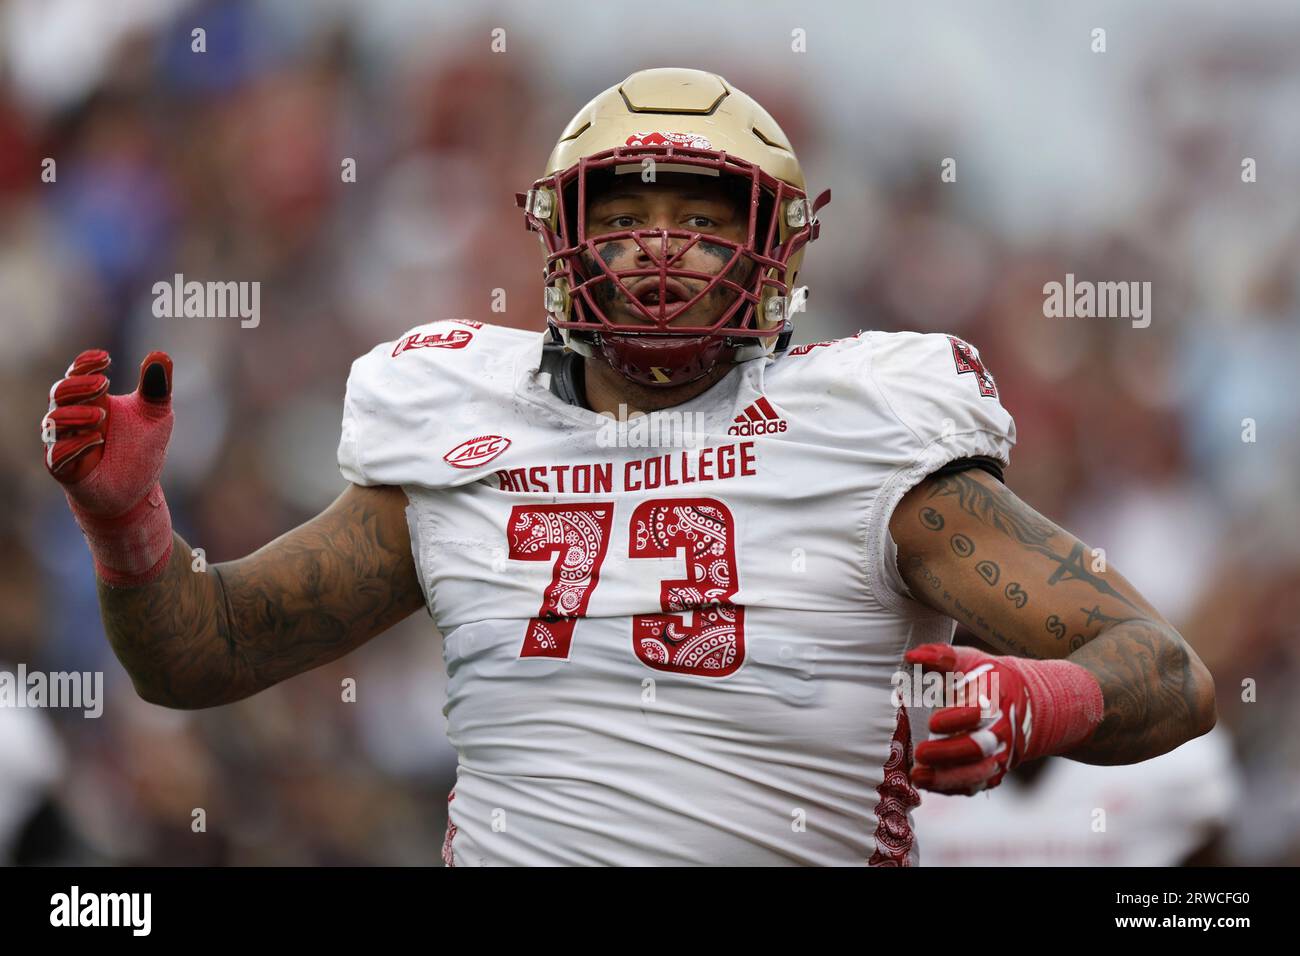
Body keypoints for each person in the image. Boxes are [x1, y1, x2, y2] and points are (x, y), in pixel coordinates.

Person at [41, 68, 1216, 866]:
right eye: (623, 207)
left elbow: (1164, 668)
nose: (657, 238)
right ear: (561, 235)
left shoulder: (869, 431)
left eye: (701, 211)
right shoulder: (459, 419)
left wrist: (1030, 699)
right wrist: (128, 521)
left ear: (775, 244)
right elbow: (207, 650)